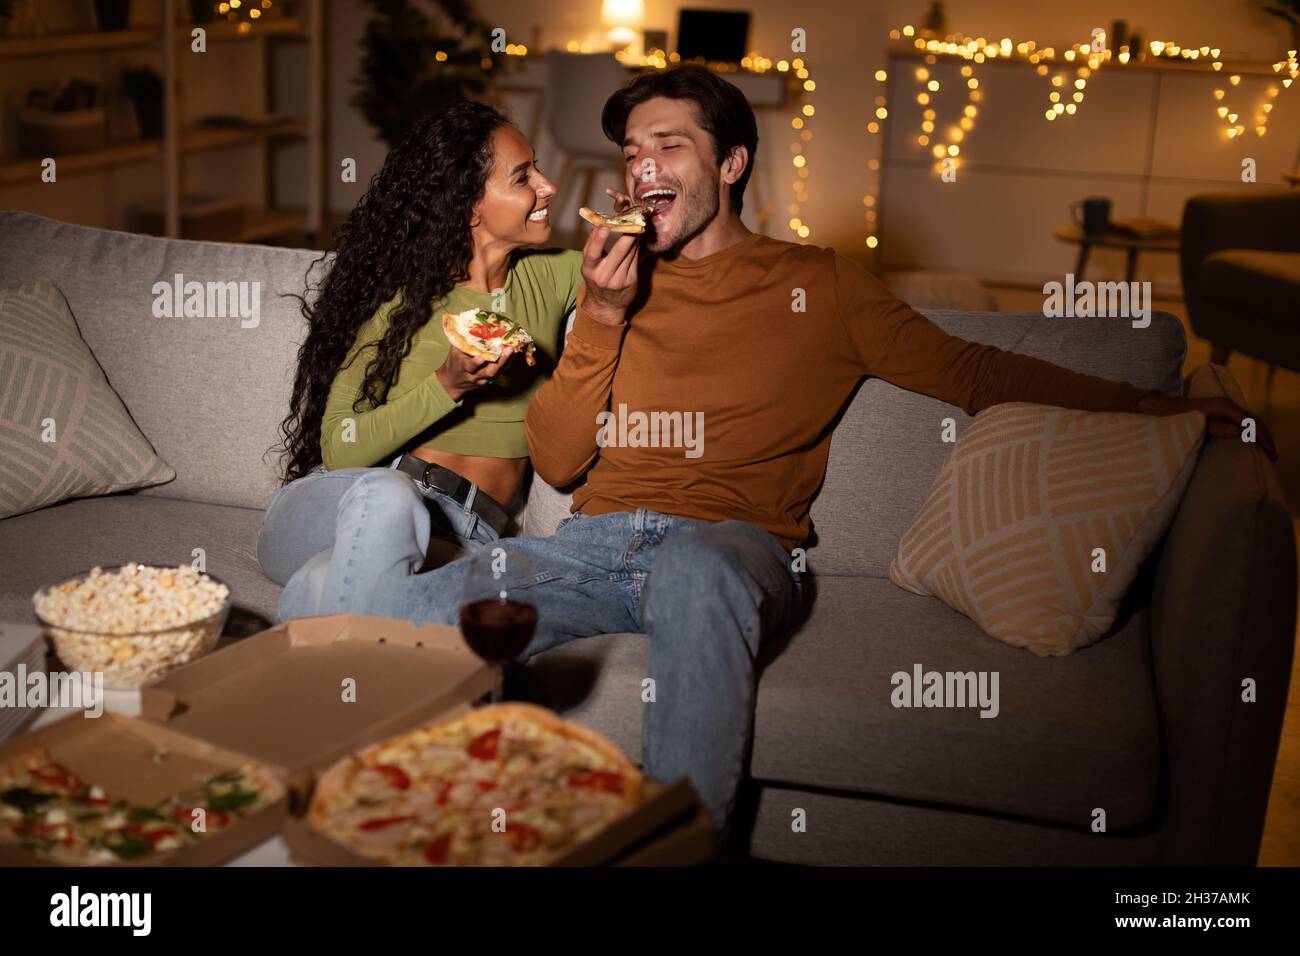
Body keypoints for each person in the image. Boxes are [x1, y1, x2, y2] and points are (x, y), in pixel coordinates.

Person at [288, 67, 1278, 845]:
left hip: (734, 546)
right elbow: (556, 454)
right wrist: (597, 314)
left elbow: (971, 370)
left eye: (668, 143)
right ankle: (442, 832)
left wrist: (1154, 403)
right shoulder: (607, 281)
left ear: (730, 163)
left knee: (693, 566)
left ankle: (675, 847)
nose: (642, 167)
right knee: (403, 612)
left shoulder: (823, 285)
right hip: (594, 544)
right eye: (631, 150)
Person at [257, 100, 582, 618]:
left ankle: (309, 677)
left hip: (464, 534)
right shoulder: (398, 299)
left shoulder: (557, 276)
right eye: (523, 177)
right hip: (342, 502)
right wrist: (447, 385)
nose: (548, 186)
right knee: (389, 496)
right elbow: (341, 449)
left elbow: (663, 280)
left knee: (327, 586)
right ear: (471, 206)